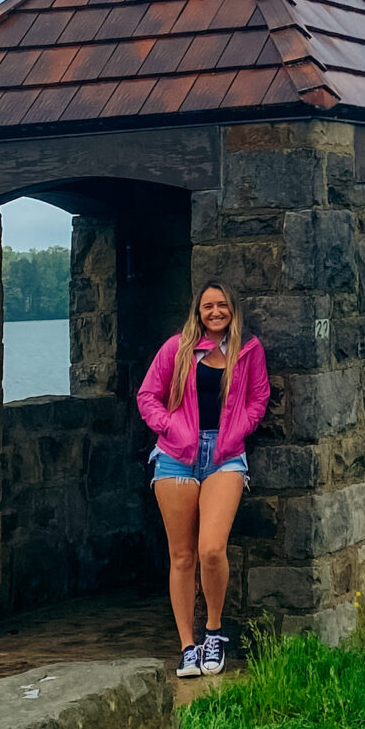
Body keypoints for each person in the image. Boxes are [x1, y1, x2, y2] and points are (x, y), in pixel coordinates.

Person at [137, 281, 269, 678]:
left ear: (232, 309)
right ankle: (187, 646)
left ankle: (214, 631)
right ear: (197, 312)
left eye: (222, 305)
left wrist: (238, 432)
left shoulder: (248, 350)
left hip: (225, 457)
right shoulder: (176, 349)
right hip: (176, 458)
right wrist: (172, 430)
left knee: (211, 549)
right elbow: (148, 396)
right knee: (182, 557)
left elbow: (258, 398)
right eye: (208, 306)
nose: (215, 312)